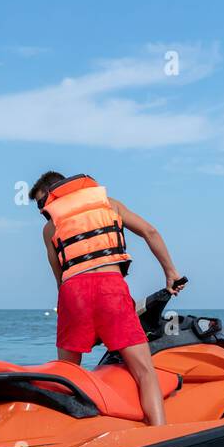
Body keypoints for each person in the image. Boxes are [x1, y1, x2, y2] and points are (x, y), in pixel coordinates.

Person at [29, 171, 183, 427]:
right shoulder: (109, 205)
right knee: (145, 372)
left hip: (73, 293)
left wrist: (75, 311)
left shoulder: (49, 229)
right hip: (111, 290)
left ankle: (66, 437)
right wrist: (171, 273)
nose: (44, 211)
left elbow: (60, 280)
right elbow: (150, 232)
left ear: (53, 195)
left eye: (42, 205)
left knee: (67, 376)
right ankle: (159, 435)